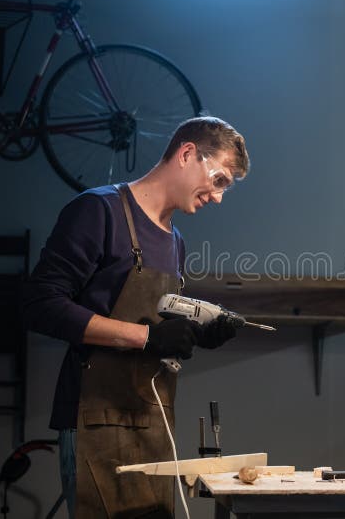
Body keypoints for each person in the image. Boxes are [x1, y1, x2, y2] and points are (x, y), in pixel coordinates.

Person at [22, 116, 249, 518]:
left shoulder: (175, 241)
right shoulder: (98, 211)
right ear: (187, 154)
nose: (218, 198)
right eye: (219, 181)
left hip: (152, 422)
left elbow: (158, 323)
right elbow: (41, 304)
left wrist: (198, 332)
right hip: (95, 419)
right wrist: (146, 339)